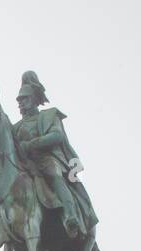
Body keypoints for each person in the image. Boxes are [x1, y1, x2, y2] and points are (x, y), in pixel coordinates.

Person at [11, 70, 97, 240]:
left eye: (24, 99)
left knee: (54, 174)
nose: (21, 103)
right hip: (26, 165)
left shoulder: (49, 115)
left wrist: (30, 144)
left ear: (34, 99)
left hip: (48, 159)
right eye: (19, 101)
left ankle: (70, 215)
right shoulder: (16, 127)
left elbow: (56, 135)